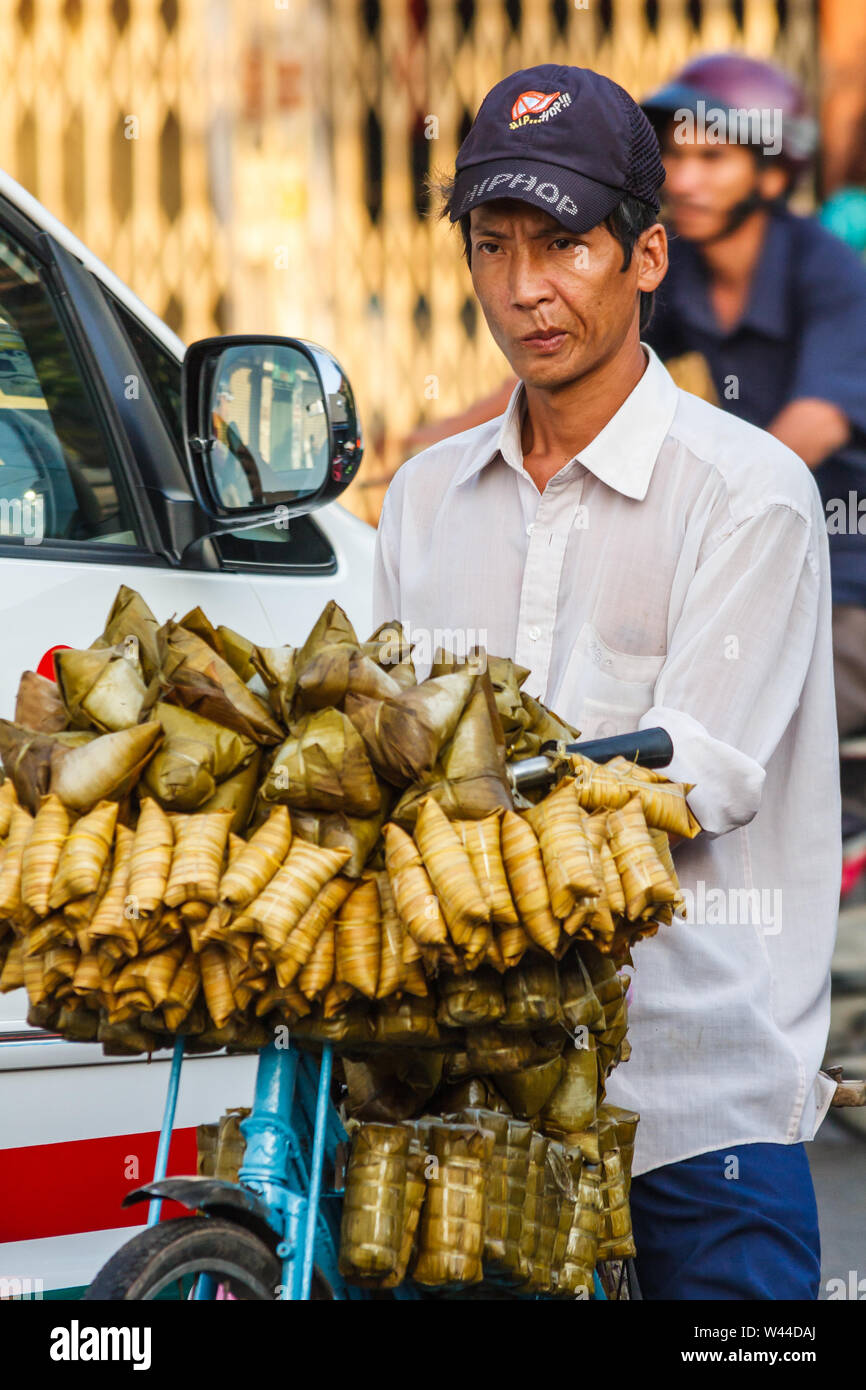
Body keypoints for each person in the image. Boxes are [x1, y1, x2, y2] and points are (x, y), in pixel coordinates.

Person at [373, 62, 840, 1300]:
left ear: (643, 258)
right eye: (492, 246)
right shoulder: (423, 499)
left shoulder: (745, 494)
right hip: (466, 1106)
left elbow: (696, 769)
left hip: (696, 1114)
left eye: (564, 245)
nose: (523, 288)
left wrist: (478, 793)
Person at [640, 53, 866, 740]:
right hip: (758, 571)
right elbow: (601, 360)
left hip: (848, 593)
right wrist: (445, 438)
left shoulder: (830, 273)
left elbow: (812, 428)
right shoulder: (684, 269)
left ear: (772, 171)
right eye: (675, 157)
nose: (683, 180)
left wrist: (687, 509)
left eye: (713, 158)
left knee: (718, 720)